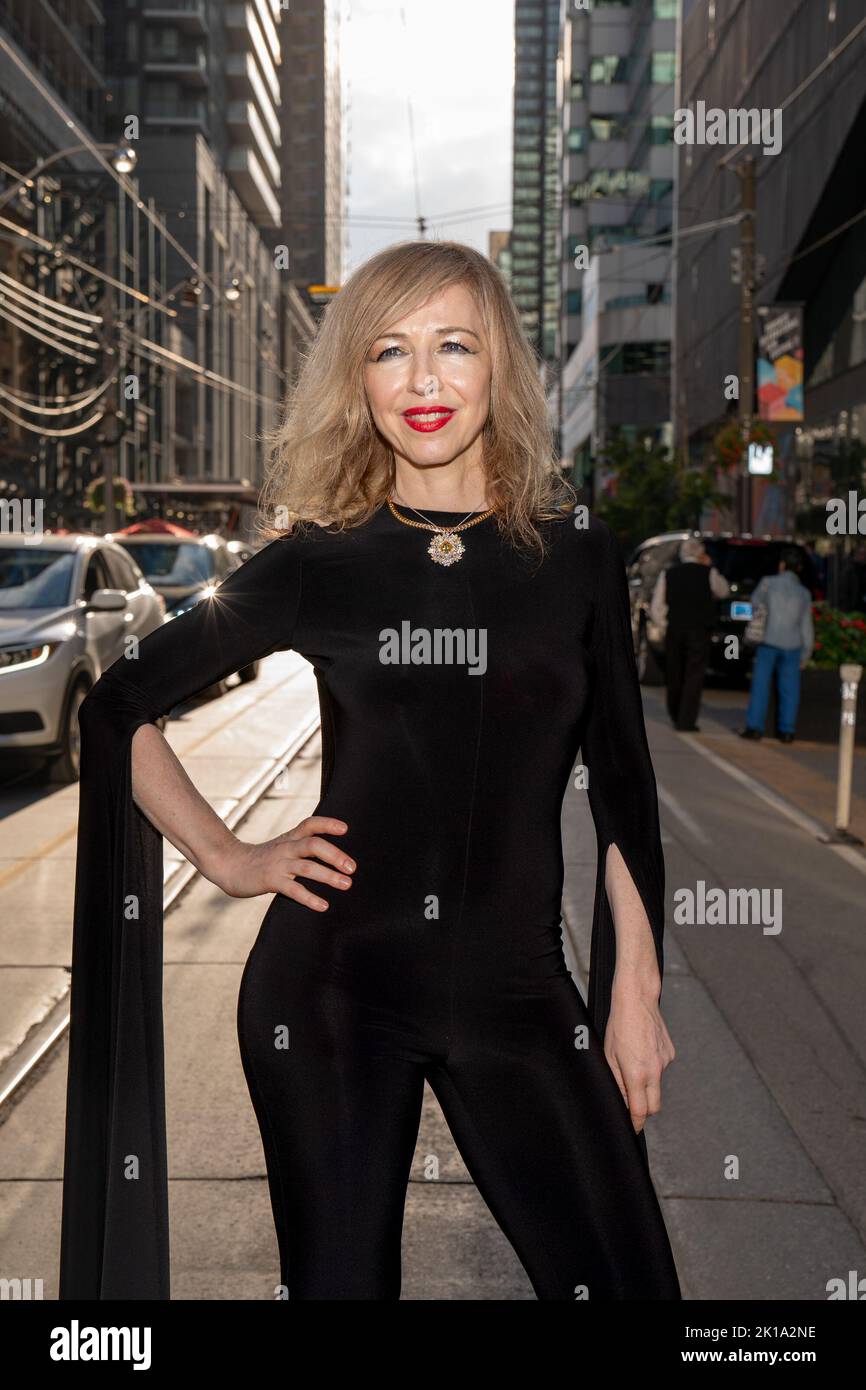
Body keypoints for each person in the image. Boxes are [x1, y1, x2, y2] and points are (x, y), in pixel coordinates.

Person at [59, 240, 681, 1302]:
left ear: (500, 368)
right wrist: (233, 858)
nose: (424, 380)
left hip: (521, 991)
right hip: (332, 989)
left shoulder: (577, 553)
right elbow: (115, 709)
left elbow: (621, 788)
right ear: (359, 380)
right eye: (389, 351)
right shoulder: (320, 560)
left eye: (453, 345)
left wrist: (635, 990)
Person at [650, 536, 731, 732]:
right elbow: (724, 591)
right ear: (701, 554)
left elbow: (657, 606)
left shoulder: (668, 574)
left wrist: (663, 625)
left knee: (674, 672)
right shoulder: (708, 573)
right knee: (694, 674)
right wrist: (711, 566)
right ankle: (686, 720)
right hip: (699, 629)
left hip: (675, 628)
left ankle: (674, 711)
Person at [739, 547, 814, 743]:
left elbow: (754, 605)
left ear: (781, 565)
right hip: (793, 644)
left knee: (760, 685)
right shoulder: (804, 593)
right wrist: (806, 653)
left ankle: (754, 728)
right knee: (790, 689)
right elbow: (806, 626)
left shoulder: (768, 583)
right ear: (798, 568)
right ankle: (787, 731)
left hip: (768, 641)